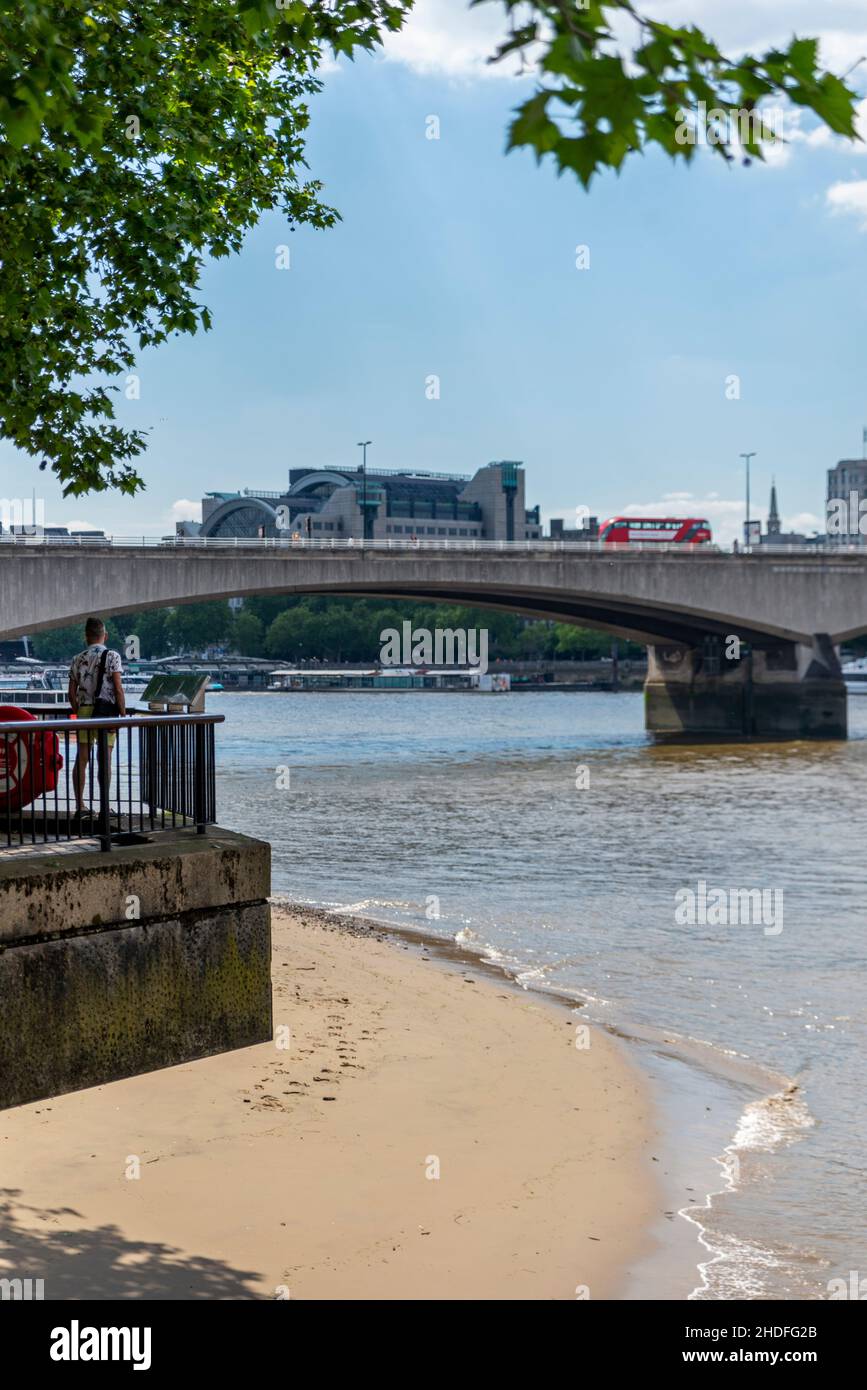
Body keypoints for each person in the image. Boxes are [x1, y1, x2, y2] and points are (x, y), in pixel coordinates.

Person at [67, 617, 126, 818]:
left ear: (86, 637)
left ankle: (80, 806)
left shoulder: (77, 658)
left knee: (81, 759)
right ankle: (105, 807)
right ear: (105, 636)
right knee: (105, 760)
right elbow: (118, 689)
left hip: (85, 712)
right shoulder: (113, 656)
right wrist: (123, 715)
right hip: (106, 713)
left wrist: (79, 709)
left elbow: (71, 692)